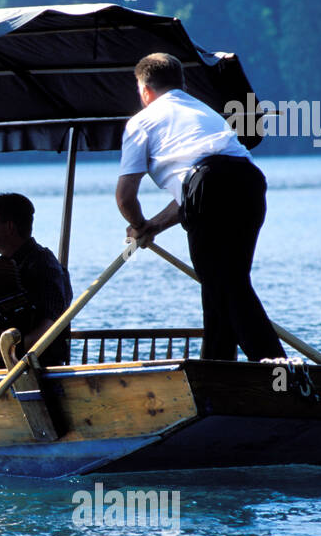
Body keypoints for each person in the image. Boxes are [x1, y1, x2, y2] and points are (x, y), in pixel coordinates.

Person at [115, 52, 284, 361]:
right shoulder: (204, 111)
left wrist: (137, 225)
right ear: (184, 85)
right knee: (221, 285)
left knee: (226, 285)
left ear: (145, 90)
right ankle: (218, 369)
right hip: (249, 182)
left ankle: (278, 370)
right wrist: (153, 226)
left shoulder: (142, 122)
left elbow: (125, 197)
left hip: (210, 187)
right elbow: (193, 190)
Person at [0, 192, 74, 366]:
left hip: (39, 369)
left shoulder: (44, 265)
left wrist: (10, 350)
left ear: (10, 227)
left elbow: (51, 326)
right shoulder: (4, 266)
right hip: (7, 369)